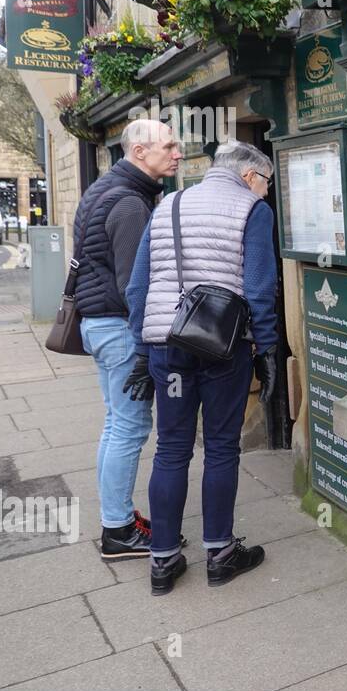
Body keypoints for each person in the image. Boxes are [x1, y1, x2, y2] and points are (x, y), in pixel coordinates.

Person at [125, 139, 279, 595]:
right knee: (221, 447)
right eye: (267, 182)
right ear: (249, 176)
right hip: (221, 347)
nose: (267, 192)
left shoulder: (167, 203)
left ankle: (163, 561)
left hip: (165, 346)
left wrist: (140, 349)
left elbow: (138, 286)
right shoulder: (253, 209)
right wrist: (267, 350)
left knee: (171, 448)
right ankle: (220, 554)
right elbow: (259, 288)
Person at [73, 119, 181, 561]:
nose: (177, 153)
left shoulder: (105, 188)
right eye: (169, 146)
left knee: (116, 423)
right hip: (118, 328)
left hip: (98, 324)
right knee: (131, 427)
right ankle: (117, 531)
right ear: (140, 152)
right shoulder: (131, 203)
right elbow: (133, 287)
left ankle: (118, 516)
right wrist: (144, 350)